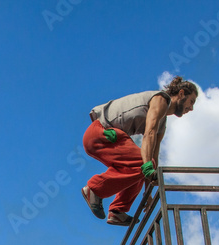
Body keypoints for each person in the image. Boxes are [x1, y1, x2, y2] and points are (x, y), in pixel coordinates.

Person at [81, 76, 199, 226]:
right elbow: (149, 133)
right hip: (101, 134)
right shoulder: (161, 100)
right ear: (181, 94)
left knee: (145, 164)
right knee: (142, 162)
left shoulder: (162, 123)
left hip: (109, 139)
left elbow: (152, 158)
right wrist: (148, 166)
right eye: (191, 101)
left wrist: (147, 192)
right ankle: (95, 190)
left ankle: (118, 211)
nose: (192, 108)